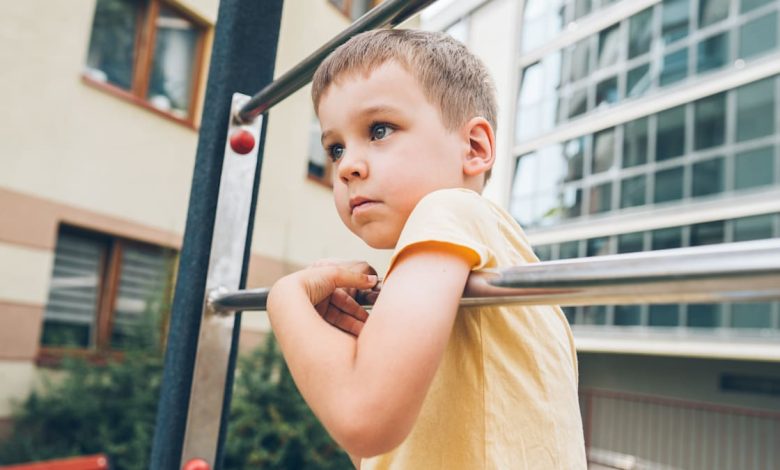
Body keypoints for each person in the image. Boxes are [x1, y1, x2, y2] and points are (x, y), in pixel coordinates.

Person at [266, 29, 586, 469]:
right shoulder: (476, 258)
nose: (347, 167)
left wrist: (285, 299)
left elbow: (363, 420)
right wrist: (348, 347)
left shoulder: (449, 209)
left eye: (379, 130)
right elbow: (381, 454)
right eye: (335, 149)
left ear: (474, 147)